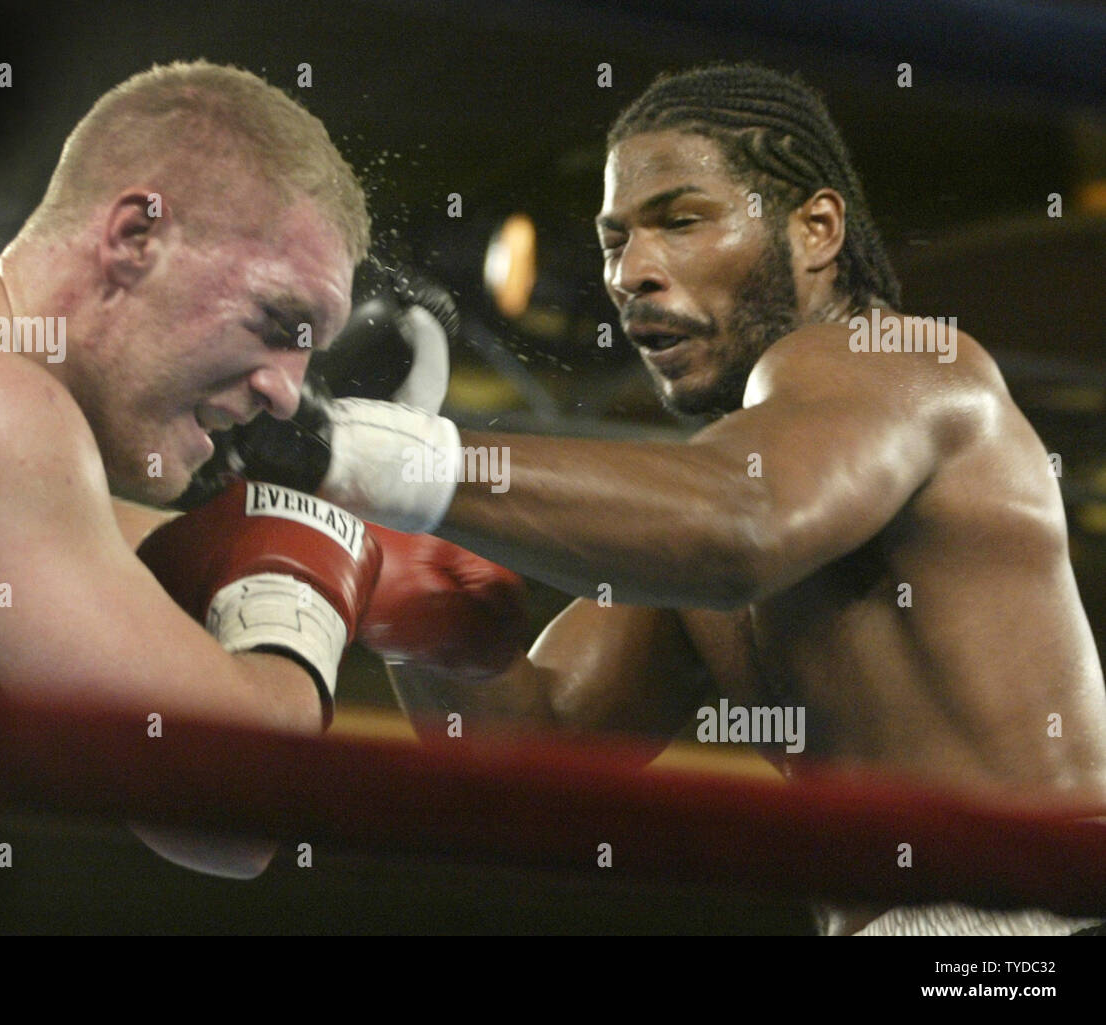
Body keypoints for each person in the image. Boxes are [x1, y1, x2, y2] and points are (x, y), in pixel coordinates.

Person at [238, 63, 1106, 935]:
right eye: (615, 242)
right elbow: (536, 781)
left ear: (816, 229)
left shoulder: (901, 362)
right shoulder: (696, 520)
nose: (632, 273)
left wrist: (367, 451)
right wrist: (409, 576)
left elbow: (744, 521)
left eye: (681, 221)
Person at [0, 60, 389, 935]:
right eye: (276, 321)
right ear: (134, 236)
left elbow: (154, 548)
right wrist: (304, 587)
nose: (285, 391)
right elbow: (225, 808)